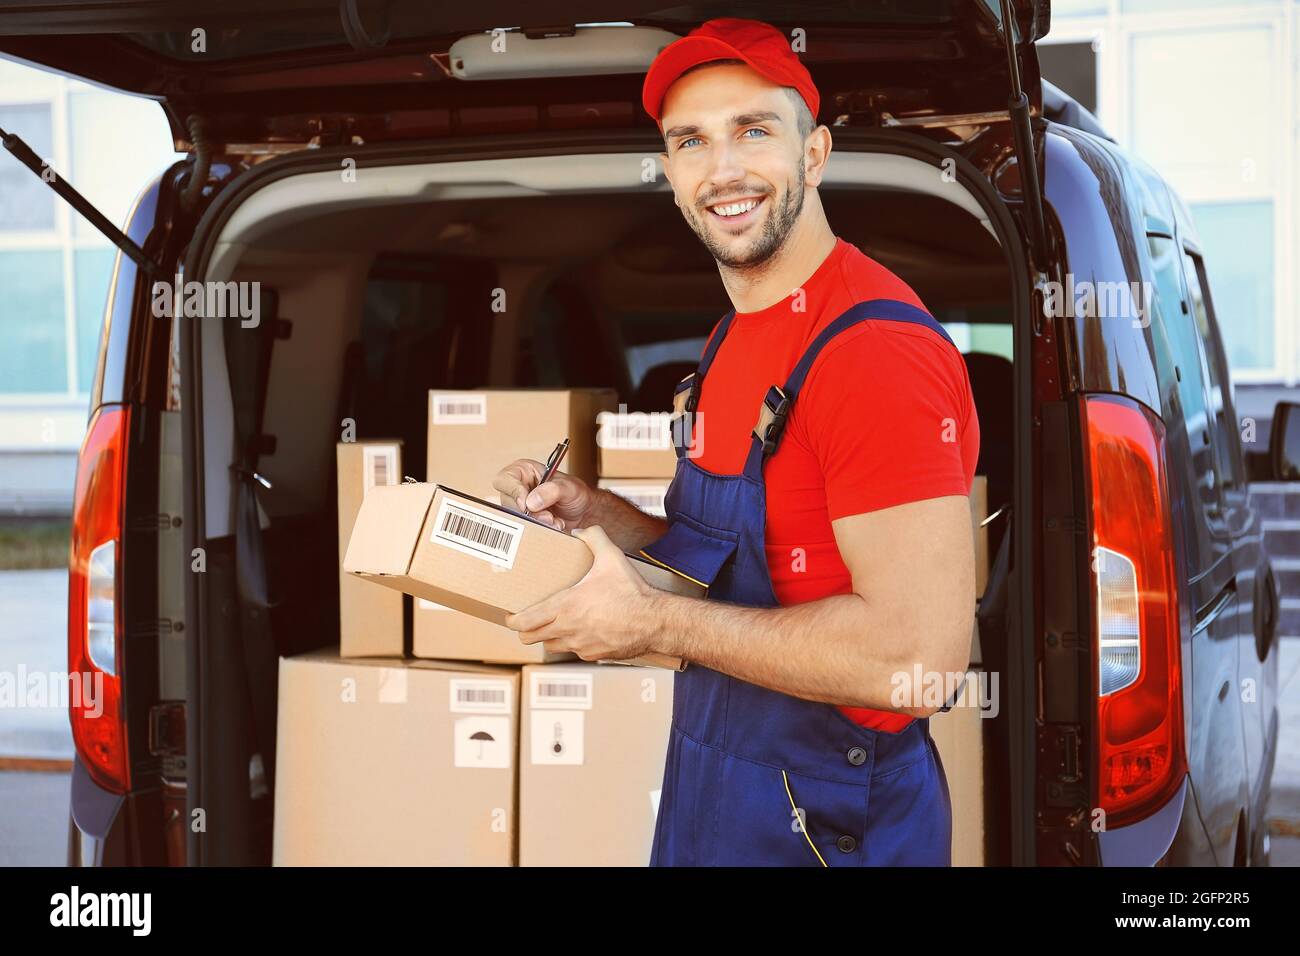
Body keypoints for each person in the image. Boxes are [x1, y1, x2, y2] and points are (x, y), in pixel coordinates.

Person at [494, 17, 979, 866]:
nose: (723, 170)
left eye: (754, 131)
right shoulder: (729, 342)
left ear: (815, 154)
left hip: (829, 821)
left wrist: (654, 625)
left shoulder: (872, 354)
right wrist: (600, 519)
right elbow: (732, 568)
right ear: (671, 174)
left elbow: (919, 659)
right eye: (691, 141)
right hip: (715, 787)